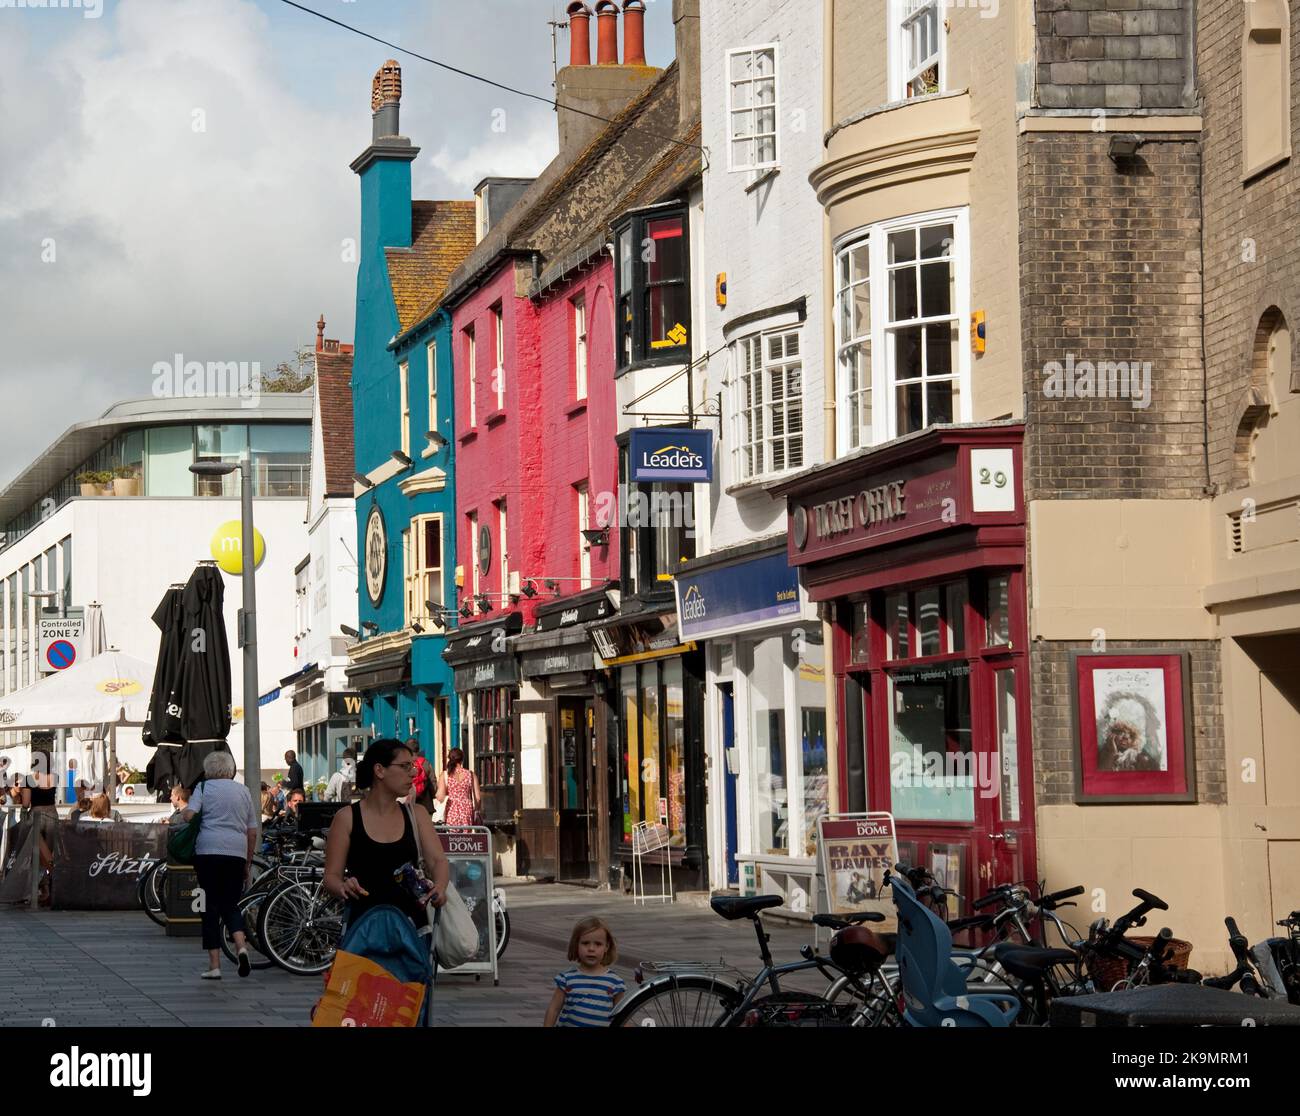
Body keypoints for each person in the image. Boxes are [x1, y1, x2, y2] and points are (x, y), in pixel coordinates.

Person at [323, 739, 449, 934]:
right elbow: (331, 876)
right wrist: (342, 886)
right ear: (379, 770)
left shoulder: (417, 814)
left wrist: (440, 886)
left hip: (412, 932)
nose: (414, 773)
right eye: (405, 766)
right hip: (363, 933)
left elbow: (438, 861)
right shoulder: (346, 818)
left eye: (413, 766)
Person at [177, 750, 258, 980]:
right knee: (231, 903)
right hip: (236, 852)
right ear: (230, 769)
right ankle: (241, 946)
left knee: (209, 906)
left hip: (208, 852)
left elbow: (189, 815)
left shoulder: (204, 788)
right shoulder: (244, 791)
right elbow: (252, 830)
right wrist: (248, 861)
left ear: (209, 769)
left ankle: (214, 965)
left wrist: (191, 814)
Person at [544, 917, 624, 1027]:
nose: (591, 948)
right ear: (576, 945)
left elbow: (622, 1015)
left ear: (606, 947)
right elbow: (554, 1009)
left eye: (598, 944)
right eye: (585, 943)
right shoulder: (567, 979)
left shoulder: (615, 982)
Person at [435, 748, 480, 827]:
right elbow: (478, 798)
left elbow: (440, 796)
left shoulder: (445, 774)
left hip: (451, 810)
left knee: (452, 838)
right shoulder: (471, 775)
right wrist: (476, 810)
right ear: (462, 759)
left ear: (449, 759)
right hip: (467, 810)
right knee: (467, 838)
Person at [408, 741, 434, 811]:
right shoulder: (426, 763)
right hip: (425, 803)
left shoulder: (405, 763)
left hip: (409, 803)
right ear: (418, 749)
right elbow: (433, 782)